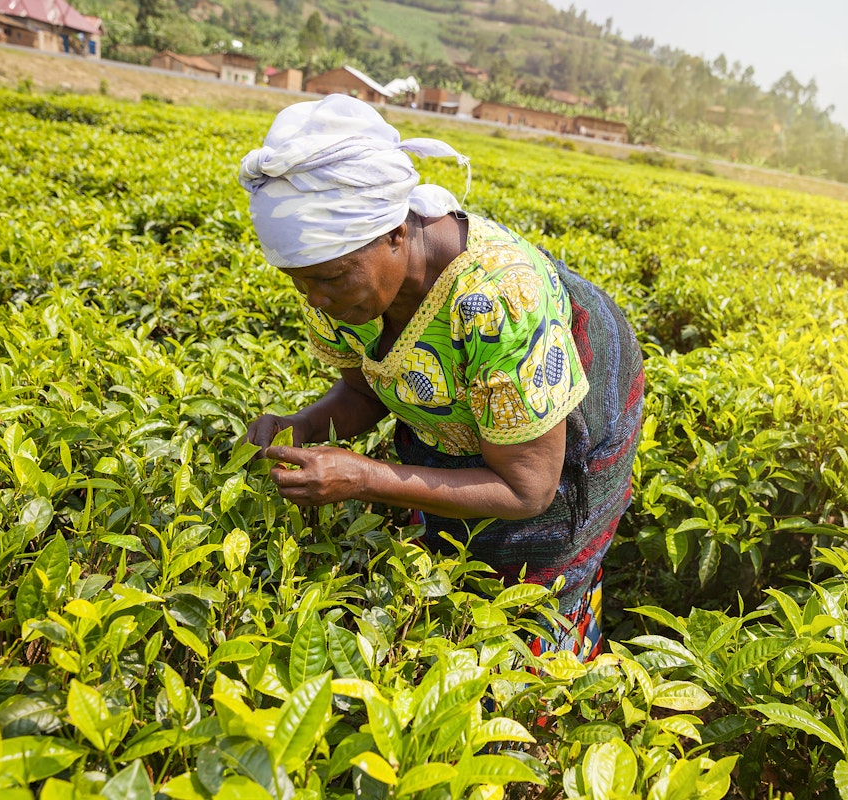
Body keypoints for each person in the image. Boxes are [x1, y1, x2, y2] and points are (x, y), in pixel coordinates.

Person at [239, 95, 644, 661]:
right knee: (440, 557)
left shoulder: (495, 299)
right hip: (470, 414)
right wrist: (300, 426)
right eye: (298, 282)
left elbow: (528, 489)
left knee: (531, 591)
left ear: (396, 235)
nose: (317, 300)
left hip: (568, 423)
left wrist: (365, 477)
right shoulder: (331, 287)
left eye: (330, 278)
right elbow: (364, 389)